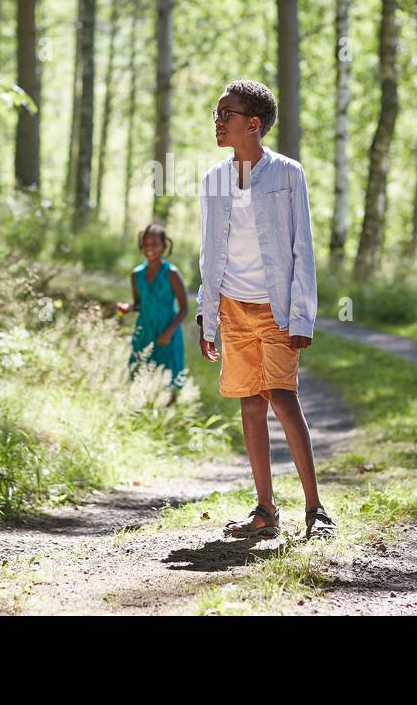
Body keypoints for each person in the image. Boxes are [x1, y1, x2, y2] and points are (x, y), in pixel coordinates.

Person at [195, 80, 335, 540]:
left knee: (283, 398)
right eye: (217, 114)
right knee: (251, 405)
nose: (217, 122)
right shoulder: (213, 180)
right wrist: (207, 315)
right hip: (233, 308)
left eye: (226, 115)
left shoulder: (287, 174)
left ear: (253, 124)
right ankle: (266, 511)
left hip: (277, 308)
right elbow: (209, 252)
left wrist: (302, 316)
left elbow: (303, 249)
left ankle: (316, 510)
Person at [117, 223, 188, 405]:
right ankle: (140, 415)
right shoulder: (137, 274)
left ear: (164, 246)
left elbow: (184, 309)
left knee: (167, 379)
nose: (150, 248)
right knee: (140, 373)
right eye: (146, 244)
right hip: (145, 330)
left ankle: (166, 422)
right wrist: (128, 308)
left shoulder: (171, 274)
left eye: (154, 244)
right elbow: (140, 304)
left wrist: (169, 332)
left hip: (166, 333)